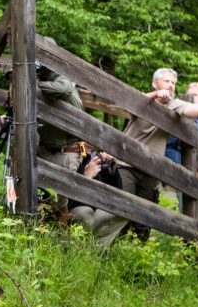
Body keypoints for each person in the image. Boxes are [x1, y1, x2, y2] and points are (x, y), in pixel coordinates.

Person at [35, 66, 128, 245]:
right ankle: (60, 245)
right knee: (58, 206)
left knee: (65, 207)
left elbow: (114, 190)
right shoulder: (86, 158)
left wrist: (109, 167)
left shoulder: (63, 82)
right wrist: (86, 176)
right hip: (52, 155)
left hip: (66, 158)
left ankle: (81, 248)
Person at [117, 68, 198, 217]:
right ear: (154, 83)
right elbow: (124, 102)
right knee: (122, 209)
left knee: (143, 219)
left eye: (173, 82)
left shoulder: (175, 105)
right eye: (167, 81)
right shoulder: (142, 99)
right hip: (126, 164)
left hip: (150, 169)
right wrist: (154, 96)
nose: (171, 85)